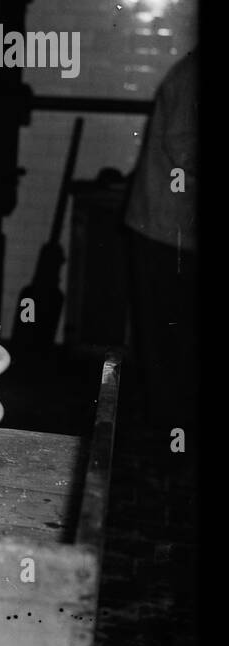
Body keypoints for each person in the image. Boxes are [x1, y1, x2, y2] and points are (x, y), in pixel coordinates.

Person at [123, 49, 198, 437]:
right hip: (164, 230)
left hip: (174, 230)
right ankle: (170, 437)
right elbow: (185, 147)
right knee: (168, 341)